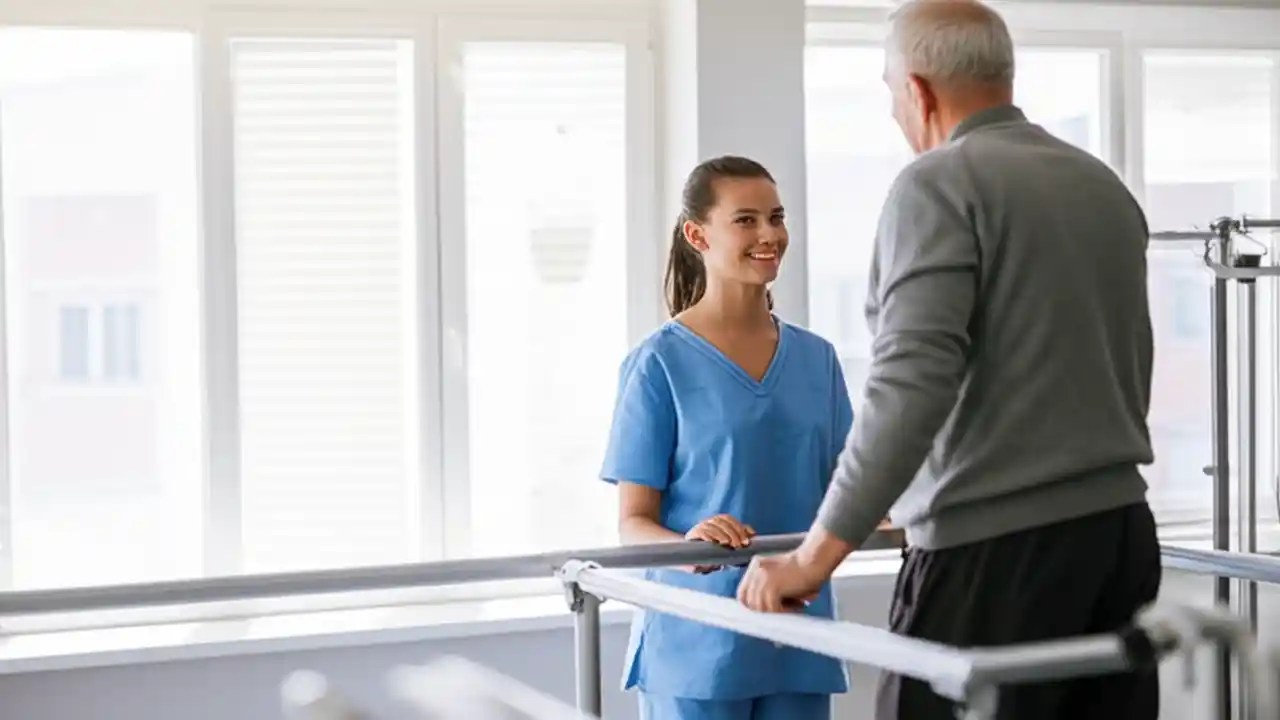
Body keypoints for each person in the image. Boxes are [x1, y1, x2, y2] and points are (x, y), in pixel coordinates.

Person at [737, 1, 1161, 719]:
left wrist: (812, 560)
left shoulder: (937, 184)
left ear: (918, 91)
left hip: (995, 555)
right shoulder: (1101, 187)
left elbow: (909, 386)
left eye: (889, 92)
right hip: (1119, 540)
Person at [599, 156, 852, 720]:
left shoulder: (818, 360)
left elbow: (849, 489)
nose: (770, 235)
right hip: (696, 647)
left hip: (798, 637)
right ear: (698, 234)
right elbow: (632, 523)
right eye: (746, 220)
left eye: (776, 217)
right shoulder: (658, 363)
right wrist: (689, 544)